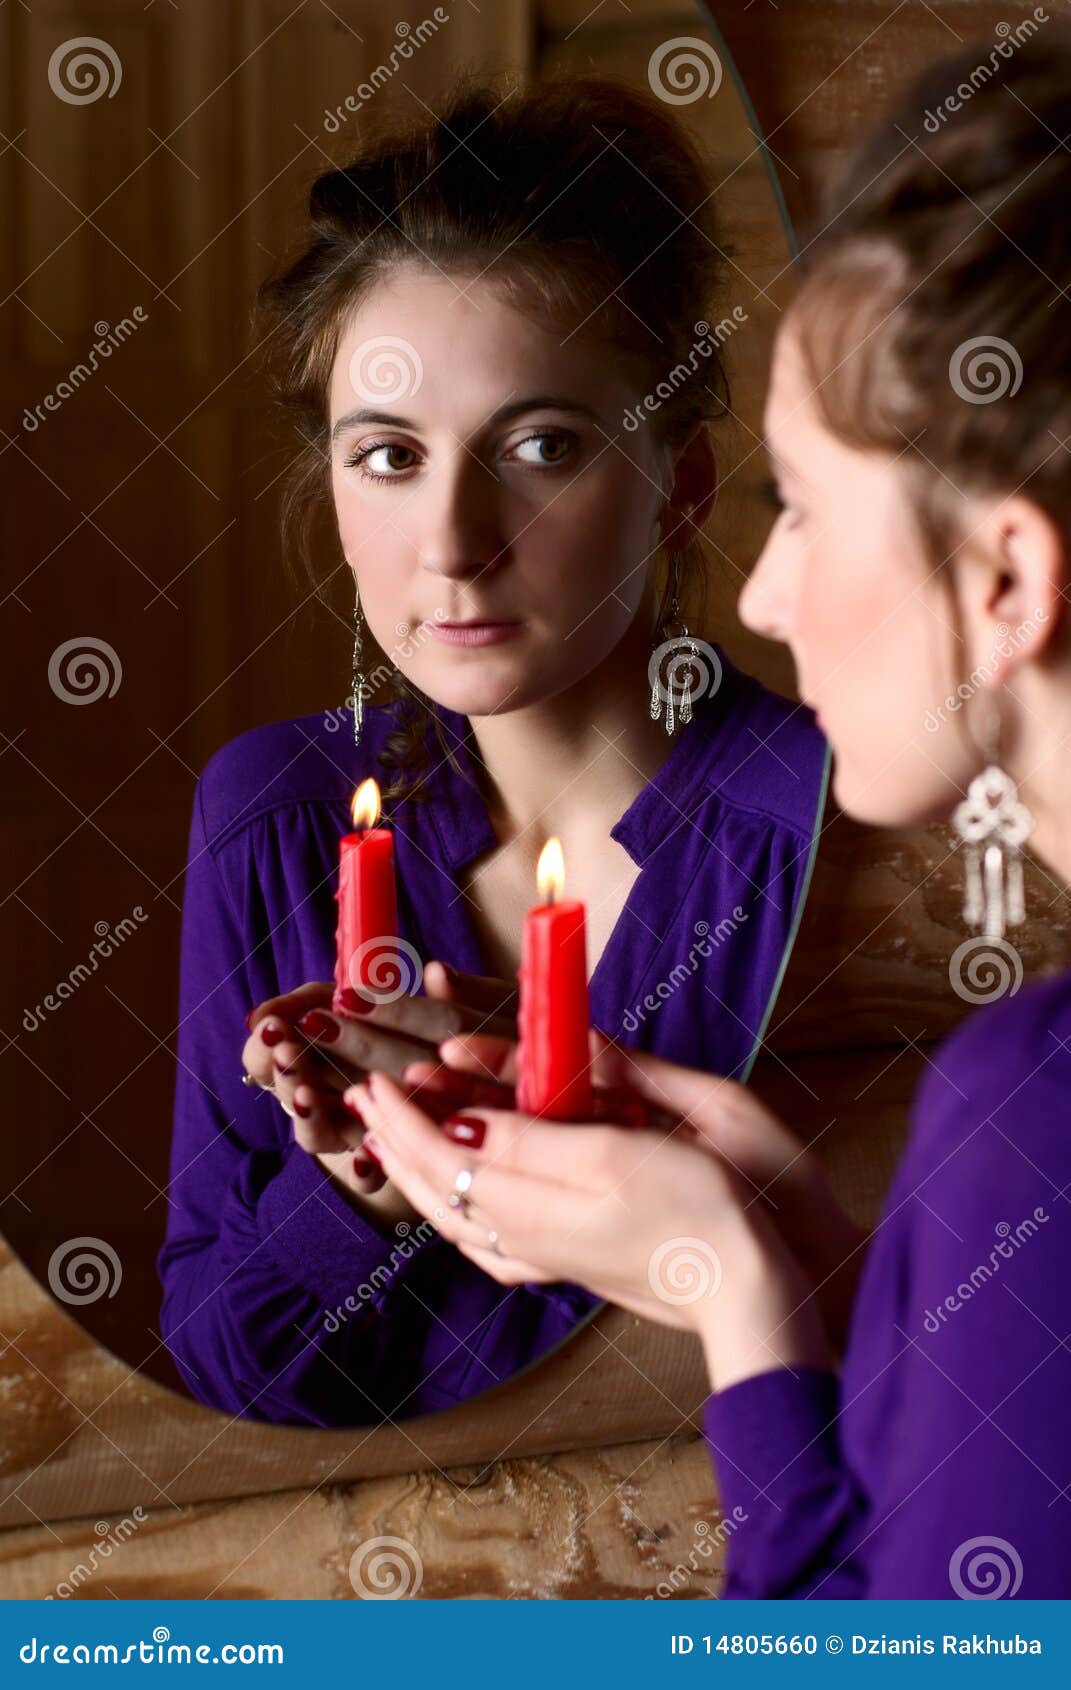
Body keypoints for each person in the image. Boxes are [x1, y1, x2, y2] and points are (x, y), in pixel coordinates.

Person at [349, 34, 1071, 1596]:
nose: (762, 591)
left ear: (1007, 580)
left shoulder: (1034, 1104)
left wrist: (735, 1288)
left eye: (801, 507)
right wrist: (838, 1266)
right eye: (387, 456)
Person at [157, 76, 827, 1428]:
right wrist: (369, 1185)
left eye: (540, 445)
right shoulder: (274, 815)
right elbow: (225, 1375)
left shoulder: (827, 808)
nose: (455, 542)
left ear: (680, 483)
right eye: (390, 455)